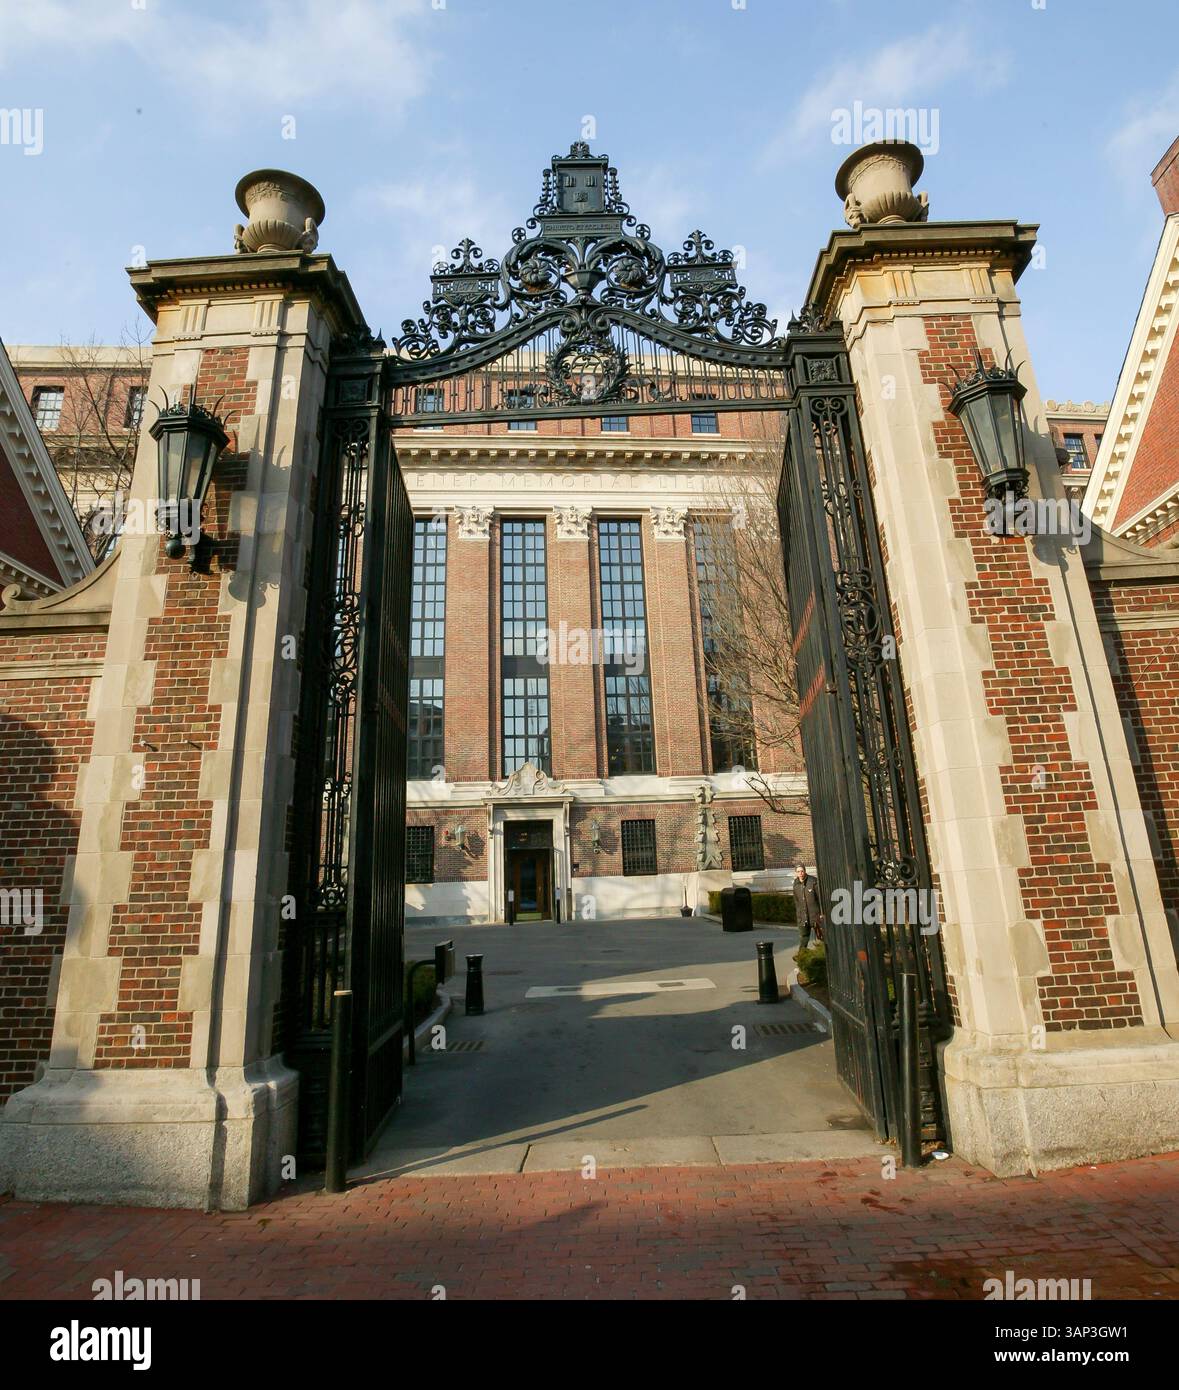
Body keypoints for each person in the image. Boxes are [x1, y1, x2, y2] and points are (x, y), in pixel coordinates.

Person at [792, 863, 823, 951]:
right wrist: (799, 916)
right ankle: (801, 956)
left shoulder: (813, 881)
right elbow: (796, 902)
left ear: (805, 871)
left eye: (802, 871)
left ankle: (821, 957)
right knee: (803, 939)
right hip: (803, 917)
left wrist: (821, 913)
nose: (800, 873)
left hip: (816, 916)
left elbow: (820, 899)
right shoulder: (795, 884)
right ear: (796, 873)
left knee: (819, 939)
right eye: (798, 872)